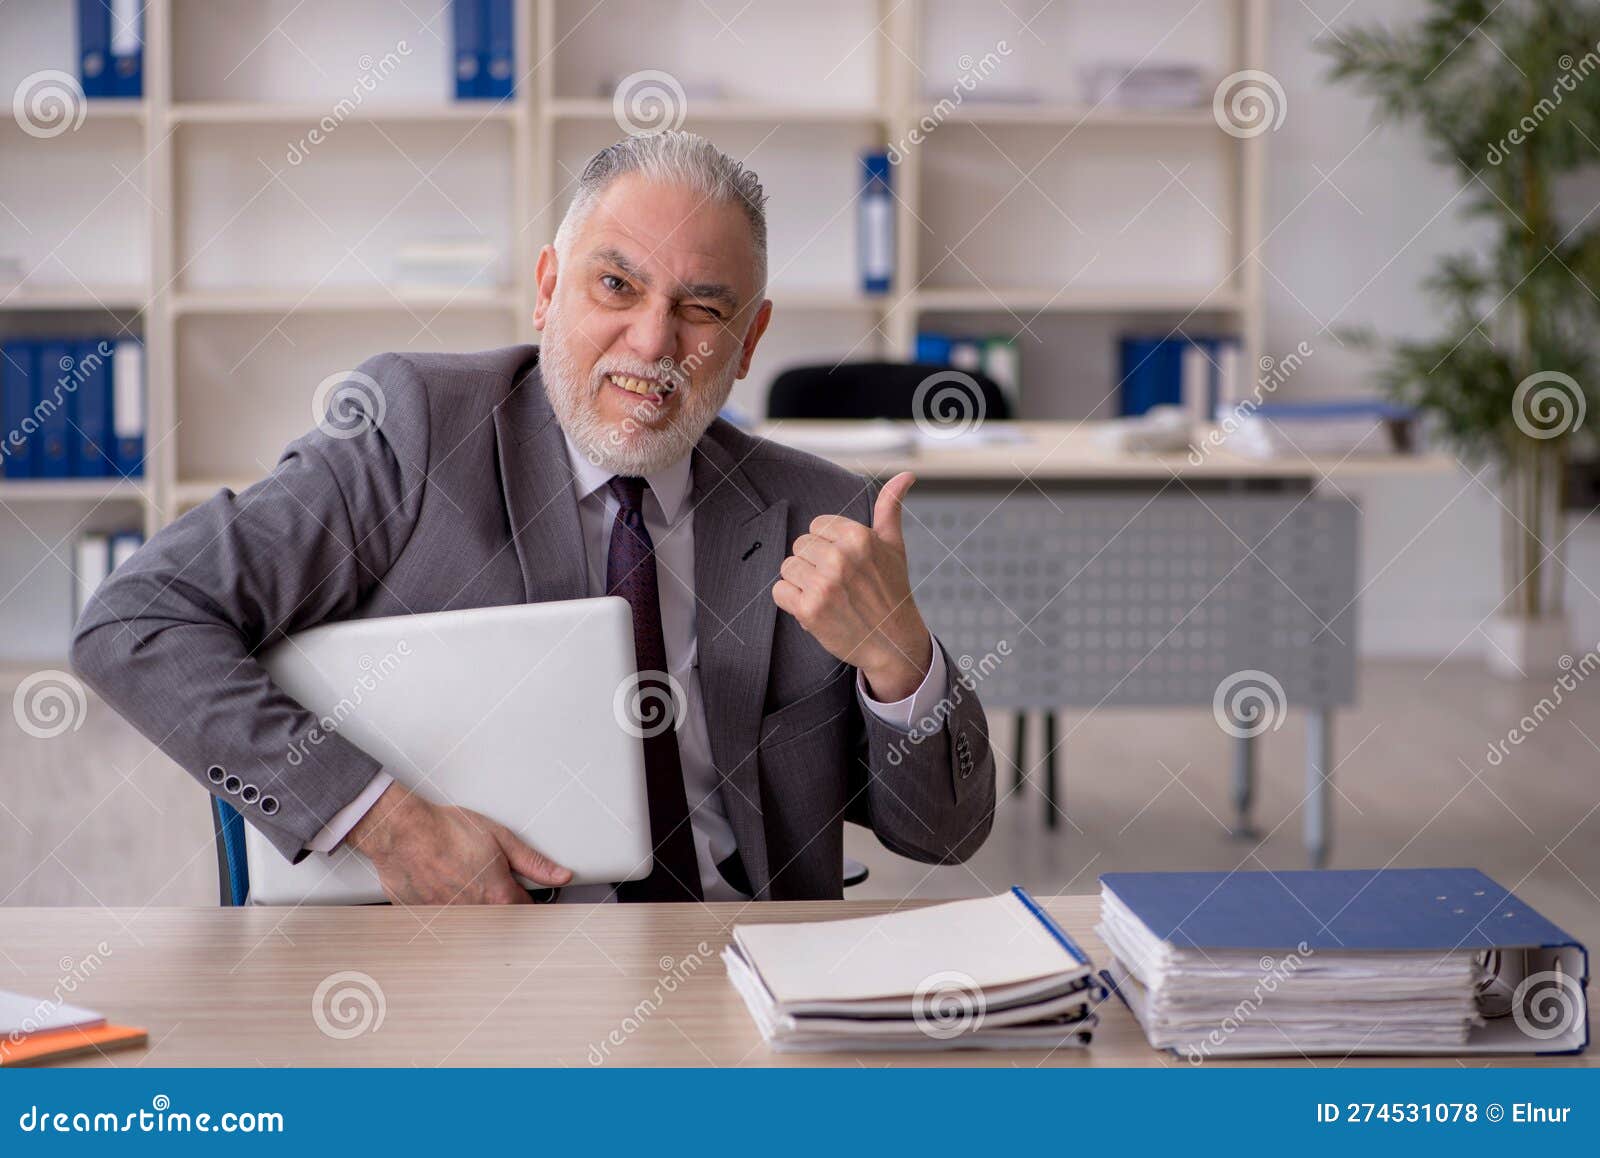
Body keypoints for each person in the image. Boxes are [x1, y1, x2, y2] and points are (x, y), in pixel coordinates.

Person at [71, 131, 995, 905]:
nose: (652, 342)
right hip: (481, 953)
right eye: (616, 286)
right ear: (549, 288)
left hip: (740, 966)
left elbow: (944, 835)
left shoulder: (816, 510)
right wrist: (389, 823)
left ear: (748, 341)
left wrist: (896, 659)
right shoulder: (417, 431)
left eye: (701, 308)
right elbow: (135, 620)